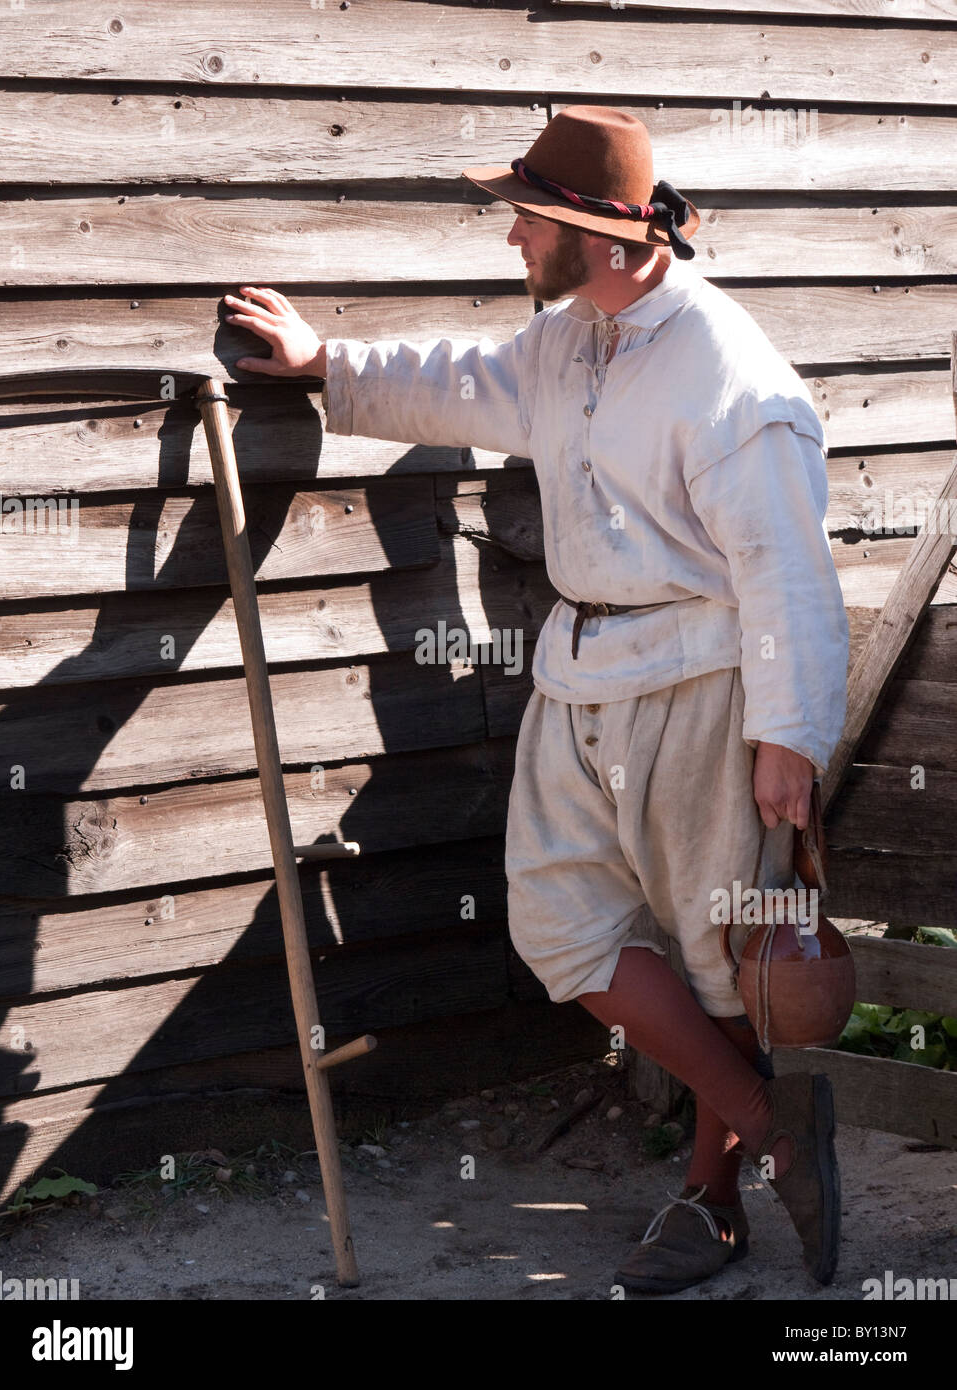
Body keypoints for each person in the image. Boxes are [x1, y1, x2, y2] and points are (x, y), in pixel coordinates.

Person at [221, 105, 849, 1296]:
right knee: (560, 927)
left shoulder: (732, 373)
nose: (511, 237)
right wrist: (326, 365)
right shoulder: (566, 340)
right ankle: (776, 1128)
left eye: (527, 218)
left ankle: (713, 1202)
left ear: (595, 236)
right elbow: (464, 381)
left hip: (706, 684)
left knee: (719, 959)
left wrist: (791, 738)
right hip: (579, 675)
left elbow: (787, 567)